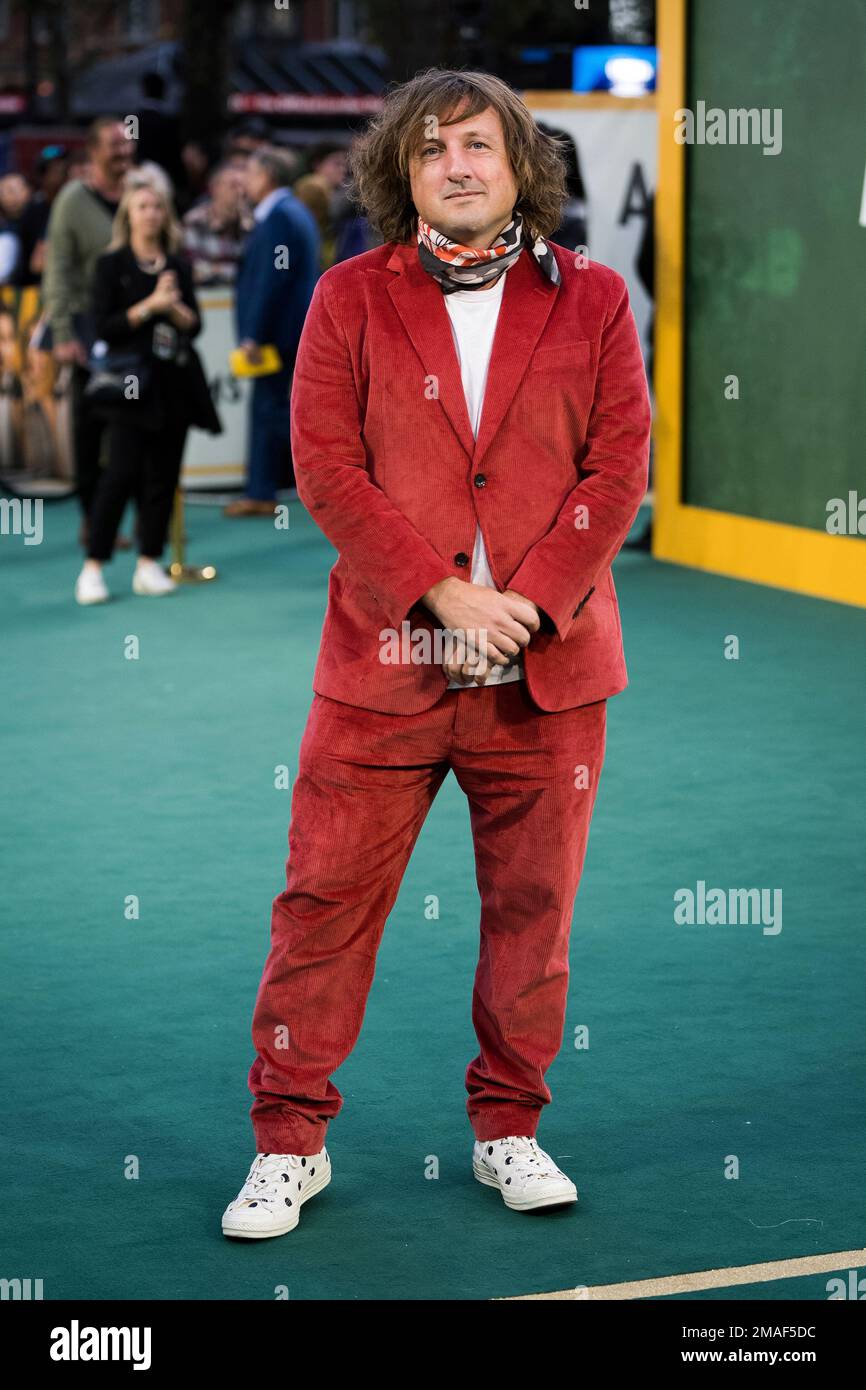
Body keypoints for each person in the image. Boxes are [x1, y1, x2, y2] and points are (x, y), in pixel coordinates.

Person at [221, 67, 651, 1240]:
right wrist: (442, 595)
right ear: (397, 173)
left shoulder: (597, 299)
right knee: (320, 908)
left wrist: (526, 602)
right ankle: (286, 1143)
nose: (456, 165)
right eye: (429, 149)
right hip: (381, 669)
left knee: (532, 914)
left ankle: (509, 1128)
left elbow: (617, 469)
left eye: (477, 145)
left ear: (517, 163)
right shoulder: (348, 298)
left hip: (547, 673)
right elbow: (326, 465)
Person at [74, 180, 220, 604]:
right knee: (118, 475)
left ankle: (149, 562)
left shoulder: (178, 265)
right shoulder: (111, 265)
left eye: (157, 206)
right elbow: (104, 327)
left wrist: (172, 308)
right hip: (127, 389)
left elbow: (195, 328)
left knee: (162, 476)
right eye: (142, 206)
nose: (151, 213)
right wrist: (149, 307)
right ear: (128, 215)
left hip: (173, 385)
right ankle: (93, 567)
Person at [42, 116, 134, 548]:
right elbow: (57, 268)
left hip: (130, 328)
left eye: (127, 143)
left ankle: (114, 518)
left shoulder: (139, 193)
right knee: (89, 431)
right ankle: (92, 520)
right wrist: (62, 331)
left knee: (129, 431)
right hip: (84, 326)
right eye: (115, 144)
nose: (124, 151)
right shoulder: (72, 201)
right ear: (93, 151)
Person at [224, 147, 319, 516]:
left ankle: (264, 491)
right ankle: (272, 487)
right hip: (290, 332)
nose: (243, 180)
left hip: (277, 336)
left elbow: (270, 281)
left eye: (248, 172)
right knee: (277, 409)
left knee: (271, 410)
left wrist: (254, 334)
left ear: (266, 176)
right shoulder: (293, 212)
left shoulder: (279, 217)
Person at [181, 162, 251, 286]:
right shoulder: (196, 222)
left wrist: (216, 269)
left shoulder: (253, 223)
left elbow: (262, 268)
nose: (240, 192)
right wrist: (241, 272)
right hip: (207, 297)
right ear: (215, 188)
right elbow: (194, 270)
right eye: (233, 186)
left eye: (244, 187)